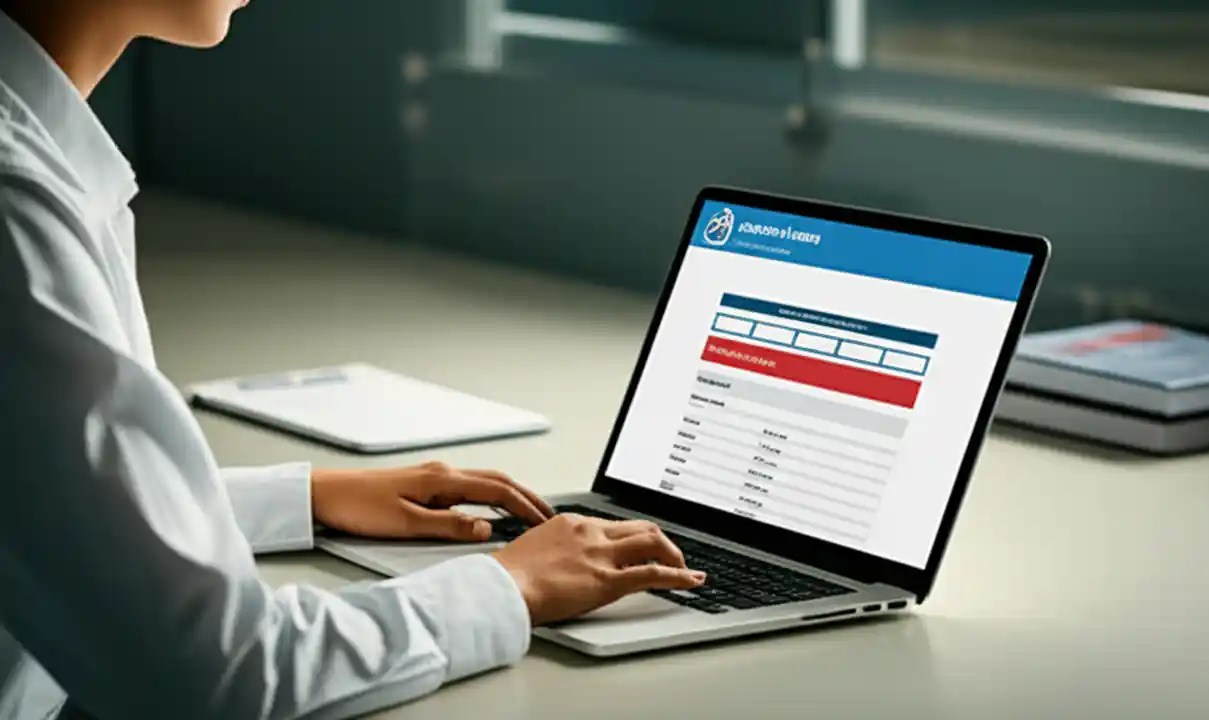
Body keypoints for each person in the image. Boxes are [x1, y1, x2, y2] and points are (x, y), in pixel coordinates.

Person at [0, 1, 705, 717]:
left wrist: (308, 498)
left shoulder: (32, 151)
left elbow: (49, 502)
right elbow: (216, 676)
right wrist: (510, 585)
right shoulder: (13, 203)